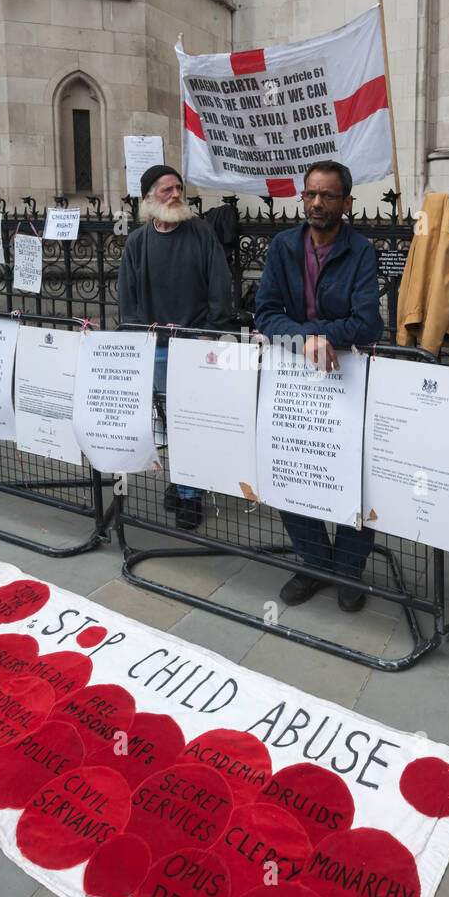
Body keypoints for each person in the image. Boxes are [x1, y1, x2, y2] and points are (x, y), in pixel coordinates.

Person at [253, 159, 384, 612]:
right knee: (291, 465)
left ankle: (348, 570)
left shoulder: (360, 251)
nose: (316, 203)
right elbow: (264, 313)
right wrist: (306, 338)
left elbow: (367, 323)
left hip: (345, 379)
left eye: (328, 195)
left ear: (347, 202)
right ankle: (313, 562)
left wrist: (319, 335)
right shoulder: (283, 247)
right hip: (291, 382)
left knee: (353, 470)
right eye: (310, 193)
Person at [118, 164, 233, 529]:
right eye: (167, 190)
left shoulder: (200, 232)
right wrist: (140, 339)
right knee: (167, 423)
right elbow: (128, 298)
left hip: (196, 346)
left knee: (189, 422)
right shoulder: (137, 241)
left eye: (179, 188)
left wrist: (211, 331)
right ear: (149, 197)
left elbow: (220, 284)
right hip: (158, 349)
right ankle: (182, 483)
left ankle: (189, 498)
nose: (176, 195)